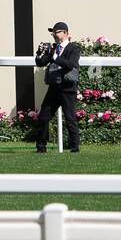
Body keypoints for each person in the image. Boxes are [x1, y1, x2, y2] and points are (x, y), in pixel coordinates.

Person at [32, 21, 81, 153]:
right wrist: (40, 54)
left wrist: (54, 56)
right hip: (54, 88)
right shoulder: (53, 48)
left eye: (57, 32)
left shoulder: (73, 48)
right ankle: (41, 147)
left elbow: (70, 64)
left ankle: (74, 147)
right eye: (53, 32)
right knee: (44, 116)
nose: (54, 34)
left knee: (70, 118)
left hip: (67, 88)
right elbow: (41, 63)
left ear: (65, 33)